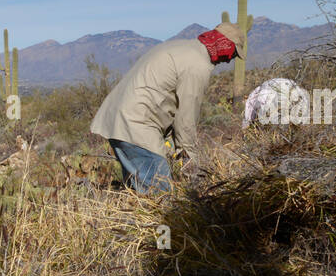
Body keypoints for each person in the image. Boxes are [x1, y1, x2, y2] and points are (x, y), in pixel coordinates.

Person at [89, 21, 244, 194]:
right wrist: (189, 156)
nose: (230, 59)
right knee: (161, 195)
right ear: (225, 45)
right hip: (137, 127)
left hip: (119, 122)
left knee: (137, 193)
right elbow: (186, 117)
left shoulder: (180, 47)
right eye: (234, 52)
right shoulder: (197, 64)